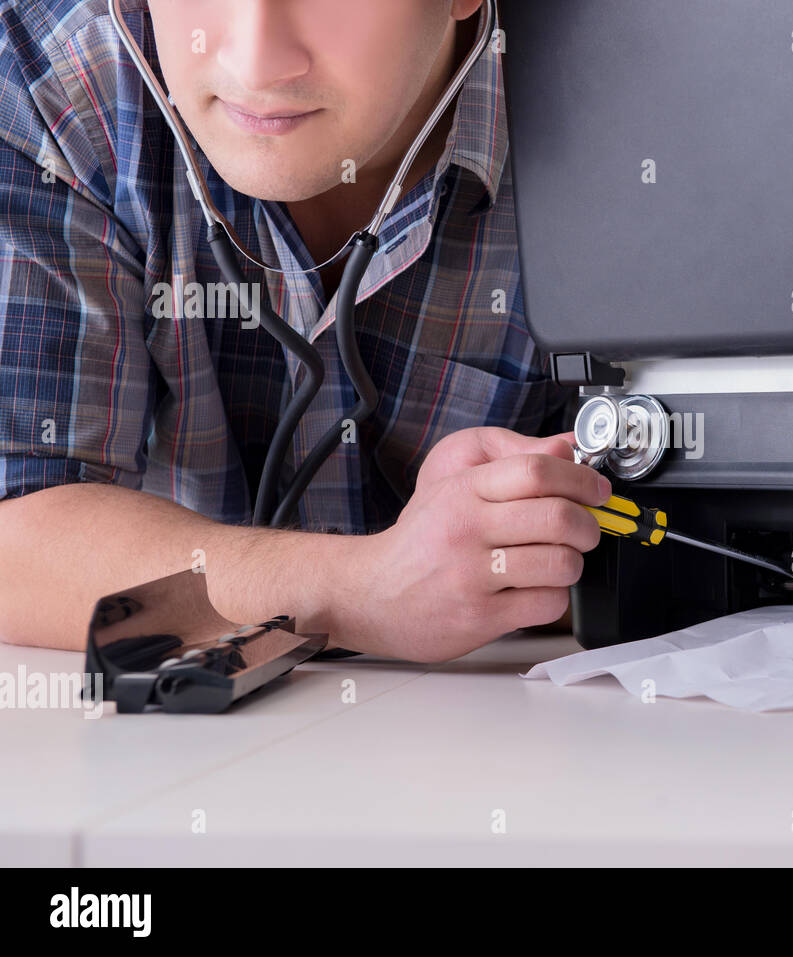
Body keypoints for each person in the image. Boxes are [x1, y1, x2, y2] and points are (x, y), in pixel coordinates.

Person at [0, 0, 608, 662]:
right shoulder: (51, 78)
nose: (256, 64)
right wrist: (360, 589)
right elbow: (16, 539)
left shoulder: (631, 97)